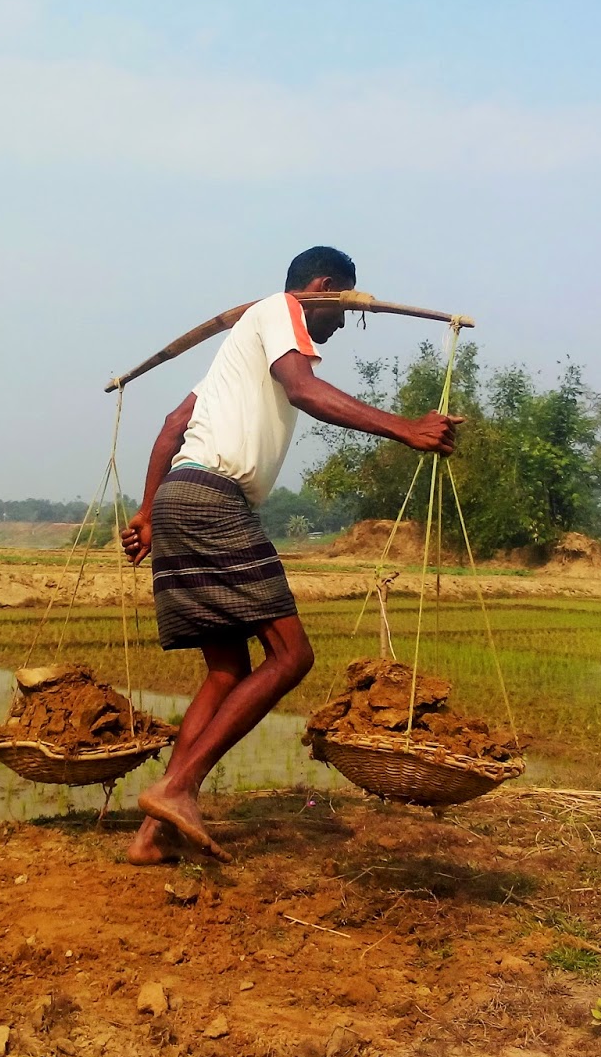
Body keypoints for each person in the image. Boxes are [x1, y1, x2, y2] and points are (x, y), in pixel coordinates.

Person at [119, 246, 462, 863]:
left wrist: (148, 513)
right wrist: (406, 428)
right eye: (343, 311)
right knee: (290, 654)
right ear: (323, 289)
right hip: (214, 500)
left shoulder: (238, 352)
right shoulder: (281, 311)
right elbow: (303, 390)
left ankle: (154, 833)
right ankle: (177, 788)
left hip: (181, 497)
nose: (336, 328)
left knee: (226, 672)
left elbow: (174, 424)